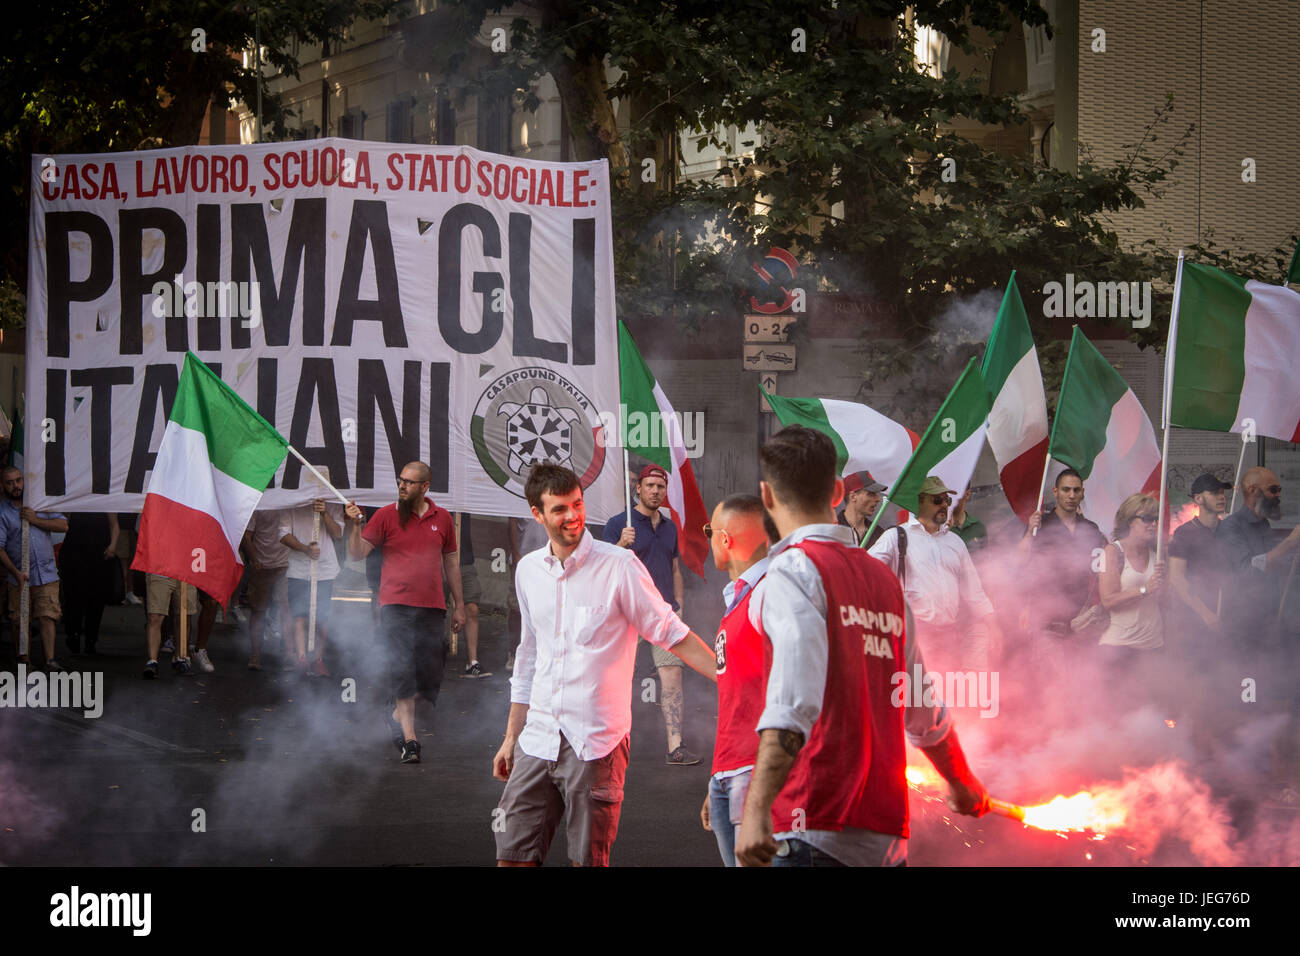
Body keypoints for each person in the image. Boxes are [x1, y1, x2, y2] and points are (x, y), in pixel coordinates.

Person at [732, 427, 990, 867]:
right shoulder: (884, 581)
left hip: (812, 823)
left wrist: (754, 812)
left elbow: (793, 703)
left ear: (767, 496)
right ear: (837, 491)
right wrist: (962, 781)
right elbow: (922, 705)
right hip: (886, 836)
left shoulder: (795, 570)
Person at [492, 463, 717, 866]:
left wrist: (728, 674)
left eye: (577, 504)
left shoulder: (620, 566)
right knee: (512, 856)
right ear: (536, 513)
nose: (573, 516)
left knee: (588, 861)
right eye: (559, 509)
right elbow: (528, 655)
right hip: (537, 738)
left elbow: (670, 631)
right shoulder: (528, 571)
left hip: (595, 744)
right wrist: (512, 736)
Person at [345, 462, 465, 764]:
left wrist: (459, 605)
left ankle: (398, 712)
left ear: (425, 486)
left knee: (429, 672)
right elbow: (357, 553)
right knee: (403, 670)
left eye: (410, 483)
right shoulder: (386, 515)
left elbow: (451, 563)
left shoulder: (444, 519)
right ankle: (411, 741)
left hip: (432, 606)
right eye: (400, 481)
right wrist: (355, 525)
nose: (402, 486)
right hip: (395, 606)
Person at [600, 464, 696, 766]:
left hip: (661, 614)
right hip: (626, 613)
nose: (656, 491)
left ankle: (675, 747)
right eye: (650, 486)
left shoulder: (669, 528)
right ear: (637, 488)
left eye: (660, 487)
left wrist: (678, 602)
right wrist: (619, 546)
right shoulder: (619, 524)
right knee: (613, 679)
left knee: (672, 677)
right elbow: (600, 572)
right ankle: (605, 746)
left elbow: (676, 568)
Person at [868, 475, 1004, 674]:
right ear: (920, 501)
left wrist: (993, 626)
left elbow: (974, 592)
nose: (944, 505)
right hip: (914, 635)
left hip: (949, 636)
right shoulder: (896, 536)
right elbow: (866, 570)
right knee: (913, 697)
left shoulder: (955, 542)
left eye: (947, 500)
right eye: (937, 500)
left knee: (943, 699)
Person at [699, 494, 771, 866]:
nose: (708, 538)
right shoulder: (740, 598)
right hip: (732, 773)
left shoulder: (770, 593)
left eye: (710, 531)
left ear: (725, 540)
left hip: (756, 774)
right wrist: (719, 775)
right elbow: (735, 699)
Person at [1017, 468, 1108, 683]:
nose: (1071, 495)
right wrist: (1030, 532)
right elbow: (1019, 563)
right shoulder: (1042, 525)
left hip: (1082, 619)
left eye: (1076, 490)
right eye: (1066, 490)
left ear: (1083, 493)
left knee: (1079, 680)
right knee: (1051, 682)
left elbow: (1098, 572)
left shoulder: (1091, 529)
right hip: (1047, 618)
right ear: (1055, 491)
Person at [0, 466, 69, 669]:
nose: (16, 486)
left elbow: (63, 525)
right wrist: (15, 572)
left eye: (19, 480)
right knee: (19, 620)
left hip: (46, 572)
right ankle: (24, 659)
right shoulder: (3, 512)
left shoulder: (39, 503)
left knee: (48, 615)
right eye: (10, 482)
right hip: (18, 575)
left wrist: (34, 519)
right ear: (3, 486)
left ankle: (50, 659)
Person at [281, 497, 344, 677]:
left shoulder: (332, 501)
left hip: (324, 568)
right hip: (298, 568)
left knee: (321, 616)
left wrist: (324, 513)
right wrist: (304, 549)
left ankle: (318, 658)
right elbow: (283, 534)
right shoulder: (290, 500)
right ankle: (301, 657)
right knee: (298, 614)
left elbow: (338, 533)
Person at [1168, 473, 1230, 644]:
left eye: (1222, 493)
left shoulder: (1229, 530)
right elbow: (1177, 577)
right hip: (1194, 620)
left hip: (1226, 615)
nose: (1221, 497)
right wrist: (1205, 613)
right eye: (1214, 493)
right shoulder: (1184, 533)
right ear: (1198, 498)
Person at [58, 512, 119, 656]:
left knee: (97, 599)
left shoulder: (106, 499)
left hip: (100, 553)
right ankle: (73, 634)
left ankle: (91, 641)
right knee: (74, 596)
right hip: (75, 551)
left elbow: (114, 524)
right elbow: (65, 519)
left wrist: (113, 545)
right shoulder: (76, 495)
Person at [242, 510, 290, 671]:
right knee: (258, 610)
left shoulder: (292, 501)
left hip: (286, 566)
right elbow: (246, 535)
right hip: (262, 566)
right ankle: (255, 654)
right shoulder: (260, 505)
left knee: (285, 609)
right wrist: (254, 560)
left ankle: (287, 653)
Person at [450, 513, 490, 678]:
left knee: (472, 607)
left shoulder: (465, 489)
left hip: (464, 561)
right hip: (435, 560)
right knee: (432, 611)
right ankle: (429, 661)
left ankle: (472, 662)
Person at [142, 574, 199, 678]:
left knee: (184, 617)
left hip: (186, 571)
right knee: (154, 616)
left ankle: (180, 658)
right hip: (160, 569)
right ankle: (152, 662)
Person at [837, 470, 887, 547]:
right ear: (853, 496)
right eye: (871, 494)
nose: (878, 499)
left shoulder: (878, 533)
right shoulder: (832, 529)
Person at [948, 489, 988, 553]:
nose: (951, 496)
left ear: (967, 494)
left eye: (956, 492)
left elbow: (986, 559)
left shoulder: (978, 527)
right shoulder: (939, 528)